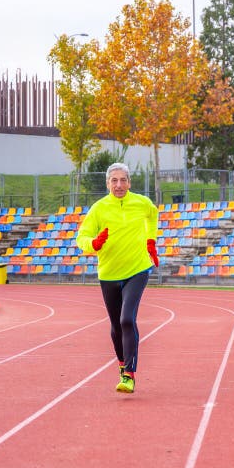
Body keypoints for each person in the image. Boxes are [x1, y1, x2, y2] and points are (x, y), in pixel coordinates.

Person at [76, 162, 159, 394]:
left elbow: (153, 215)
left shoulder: (141, 202)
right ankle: (122, 365)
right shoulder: (99, 209)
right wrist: (93, 244)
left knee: (126, 320)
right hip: (109, 273)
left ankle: (129, 374)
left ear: (129, 183)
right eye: (114, 181)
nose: (119, 185)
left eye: (123, 180)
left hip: (138, 269)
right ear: (107, 184)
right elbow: (81, 237)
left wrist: (150, 240)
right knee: (115, 326)